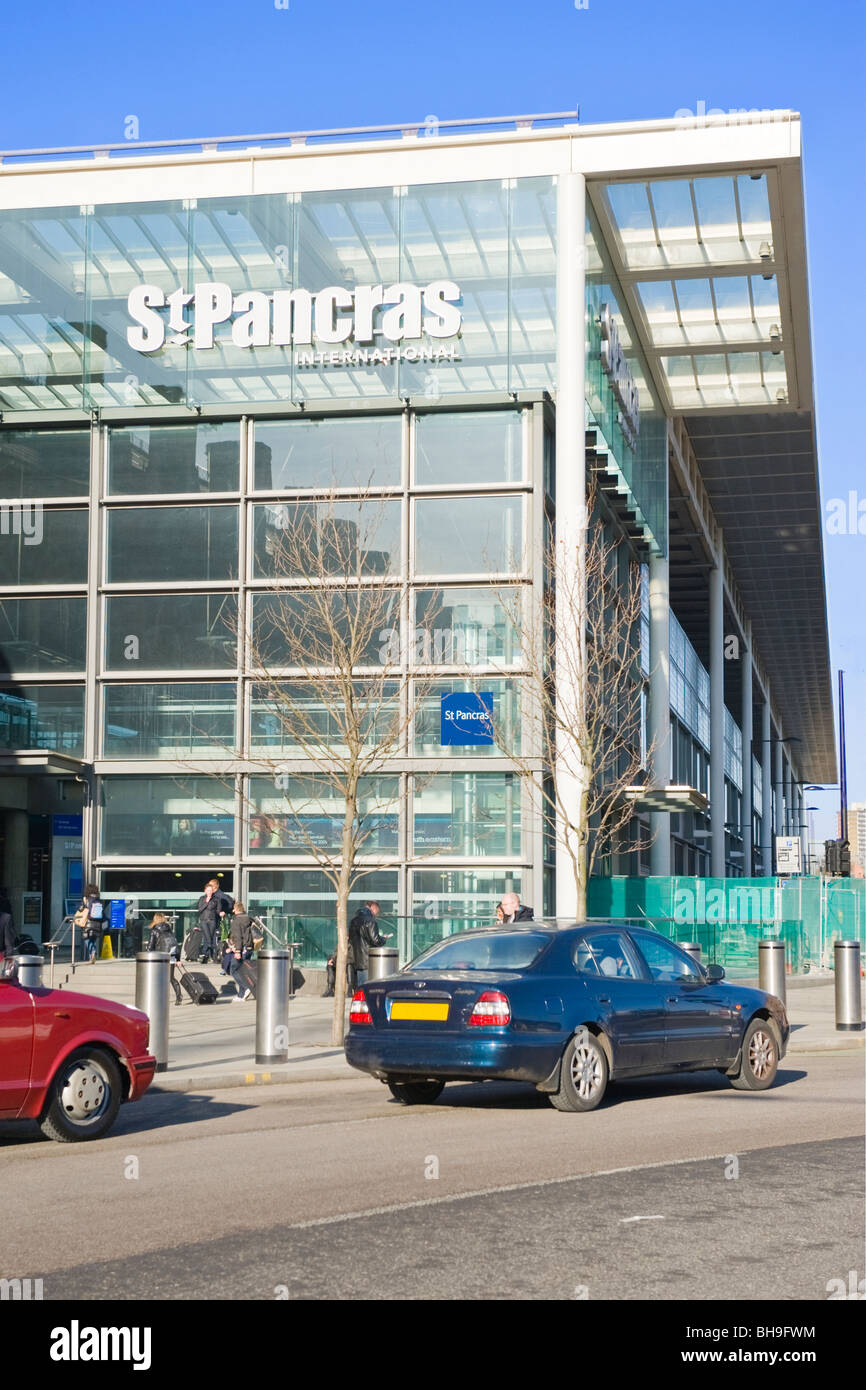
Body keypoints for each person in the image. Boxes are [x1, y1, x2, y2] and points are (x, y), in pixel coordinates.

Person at [348, 901, 386, 990]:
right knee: (369, 987)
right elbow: (375, 940)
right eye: (377, 911)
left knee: (360, 987)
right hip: (369, 959)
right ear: (373, 907)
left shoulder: (353, 921)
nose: (377, 914)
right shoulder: (370, 921)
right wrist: (383, 939)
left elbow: (351, 939)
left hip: (357, 959)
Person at [195, 877, 234, 964]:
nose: (210, 889)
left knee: (210, 937)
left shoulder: (218, 896)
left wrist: (223, 911)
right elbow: (200, 909)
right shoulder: (203, 898)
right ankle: (211, 955)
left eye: (211, 887)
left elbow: (227, 905)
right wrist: (207, 902)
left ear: (214, 887)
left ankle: (208, 955)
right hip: (205, 920)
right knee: (208, 937)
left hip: (214, 919)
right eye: (208, 888)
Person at [147, 913, 183, 1004]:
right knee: (171, 978)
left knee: (158, 978)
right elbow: (174, 944)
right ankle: (179, 996)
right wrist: (177, 959)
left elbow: (150, 947)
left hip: (160, 957)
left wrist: (149, 957)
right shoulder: (169, 930)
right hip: (171, 956)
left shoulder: (154, 930)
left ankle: (159, 998)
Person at [226, 901, 255, 1001]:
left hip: (242, 949)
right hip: (250, 948)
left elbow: (238, 937)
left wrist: (237, 951)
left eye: (233, 909)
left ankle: (246, 988)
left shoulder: (237, 921)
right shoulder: (249, 919)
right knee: (242, 971)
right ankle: (241, 995)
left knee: (233, 970)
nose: (233, 911)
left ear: (236, 909)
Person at [76, 884, 104, 963]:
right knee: (93, 940)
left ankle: (93, 952)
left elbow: (81, 909)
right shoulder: (99, 899)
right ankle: (91, 957)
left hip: (88, 922)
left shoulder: (86, 899)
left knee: (86, 939)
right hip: (98, 922)